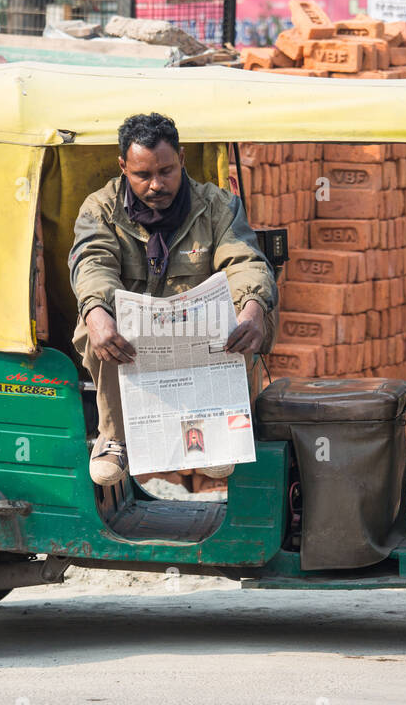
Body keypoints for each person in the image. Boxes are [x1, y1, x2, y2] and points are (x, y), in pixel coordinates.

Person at [70, 113, 277, 486]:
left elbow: (244, 261)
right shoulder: (100, 208)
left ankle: (219, 434)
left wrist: (252, 307)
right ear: (123, 167)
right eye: (142, 175)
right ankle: (113, 435)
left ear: (182, 158)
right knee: (91, 324)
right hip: (136, 331)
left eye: (166, 171)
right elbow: (92, 262)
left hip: (196, 324)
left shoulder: (217, 206)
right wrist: (97, 311)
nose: (155, 185)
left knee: (246, 319)